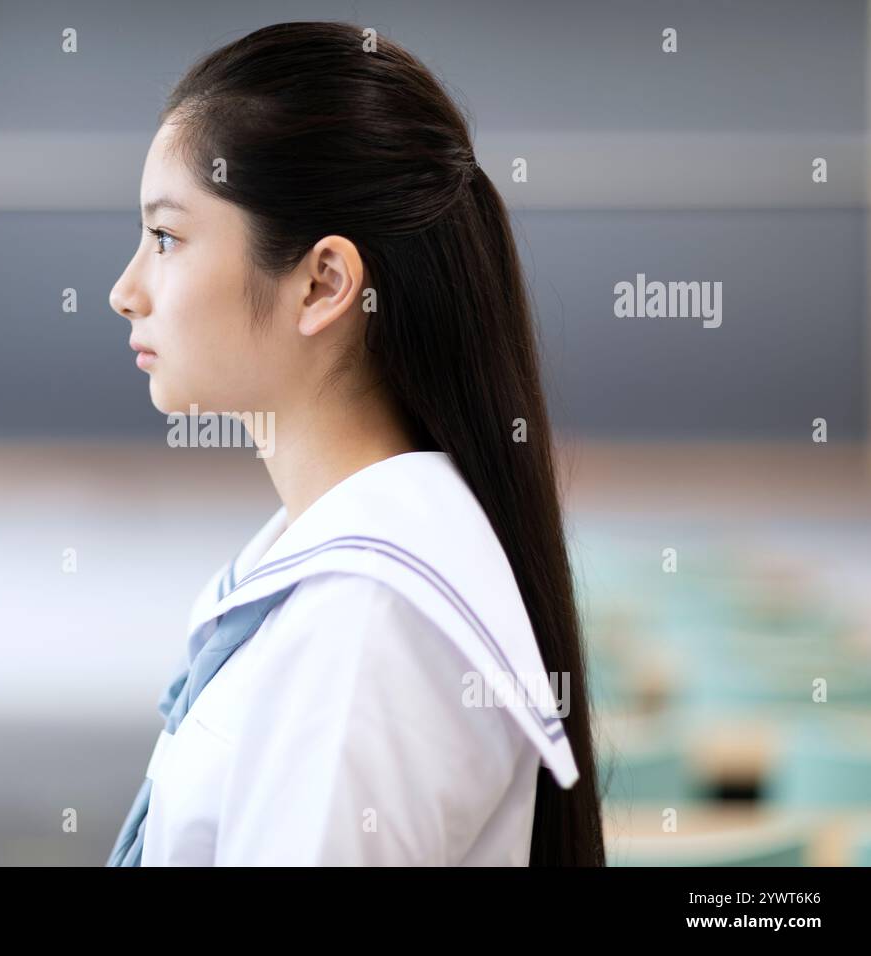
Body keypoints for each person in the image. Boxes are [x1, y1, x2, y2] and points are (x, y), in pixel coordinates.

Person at [106, 21, 605, 866]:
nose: (125, 292)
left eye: (166, 238)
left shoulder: (364, 627)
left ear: (323, 283)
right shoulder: (324, 570)